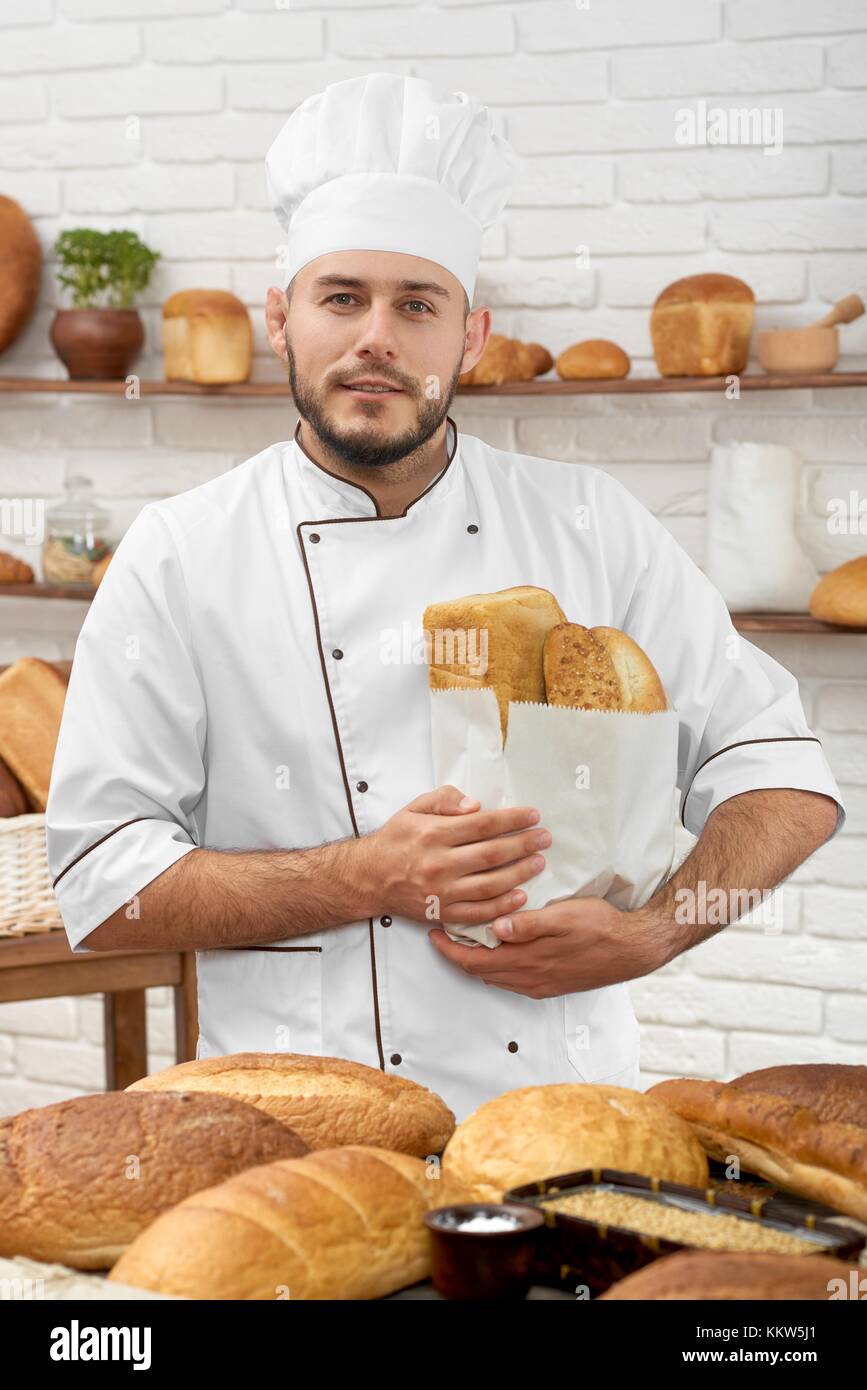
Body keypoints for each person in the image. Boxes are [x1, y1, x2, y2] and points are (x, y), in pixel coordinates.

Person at [46, 74, 844, 1122]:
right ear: (282, 319)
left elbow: (788, 780)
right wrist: (366, 875)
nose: (376, 336)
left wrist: (656, 932)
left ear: (469, 337)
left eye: (417, 304)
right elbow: (103, 885)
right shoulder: (180, 555)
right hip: (296, 1136)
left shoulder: (590, 525)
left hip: (560, 1126)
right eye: (342, 298)